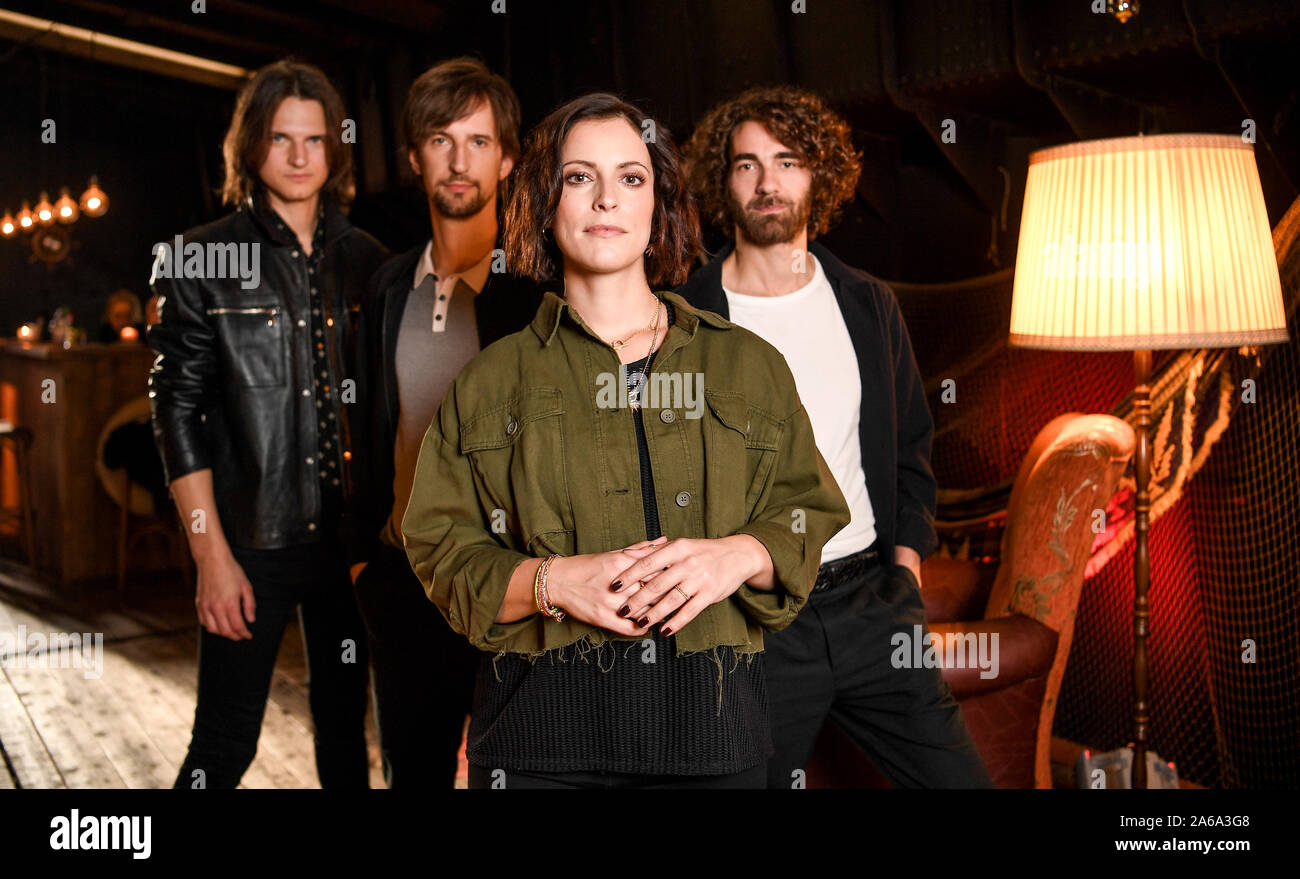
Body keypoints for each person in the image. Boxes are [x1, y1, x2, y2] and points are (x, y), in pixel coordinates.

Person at [402, 92, 850, 790]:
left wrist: (735, 555)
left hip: (714, 741)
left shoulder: (748, 366)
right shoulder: (488, 382)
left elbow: (808, 511)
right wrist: (553, 582)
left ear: (659, 204)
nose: (607, 198)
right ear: (547, 203)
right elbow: (439, 548)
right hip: (536, 746)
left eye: (631, 177)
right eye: (580, 177)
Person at [678, 85, 993, 788]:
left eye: (787, 161)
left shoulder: (867, 303)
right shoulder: (685, 320)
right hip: (752, 622)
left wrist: (905, 569)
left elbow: (911, 446)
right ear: (723, 183)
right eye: (746, 164)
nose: (767, 182)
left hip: (872, 605)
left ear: (817, 176)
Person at [149, 60, 388, 789]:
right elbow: (176, 412)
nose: (296, 156)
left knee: (348, 738)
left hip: (351, 545)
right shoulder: (198, 257)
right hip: (248, 544)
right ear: (252, 146)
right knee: (223, 746)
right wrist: (209, 557)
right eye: (281, 139)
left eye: (313, 140)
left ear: (333, 150)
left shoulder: (372, 263)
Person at [342, 57, 541, 788]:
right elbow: (369, 431)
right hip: (406, 588)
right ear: (414, 156)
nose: (459, 161)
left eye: (479, 141)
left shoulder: (542, 292)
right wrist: (366, 562)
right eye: (440, 139)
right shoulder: (389, 285)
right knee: (414, 779)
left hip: (513, 593)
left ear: (508, 157)